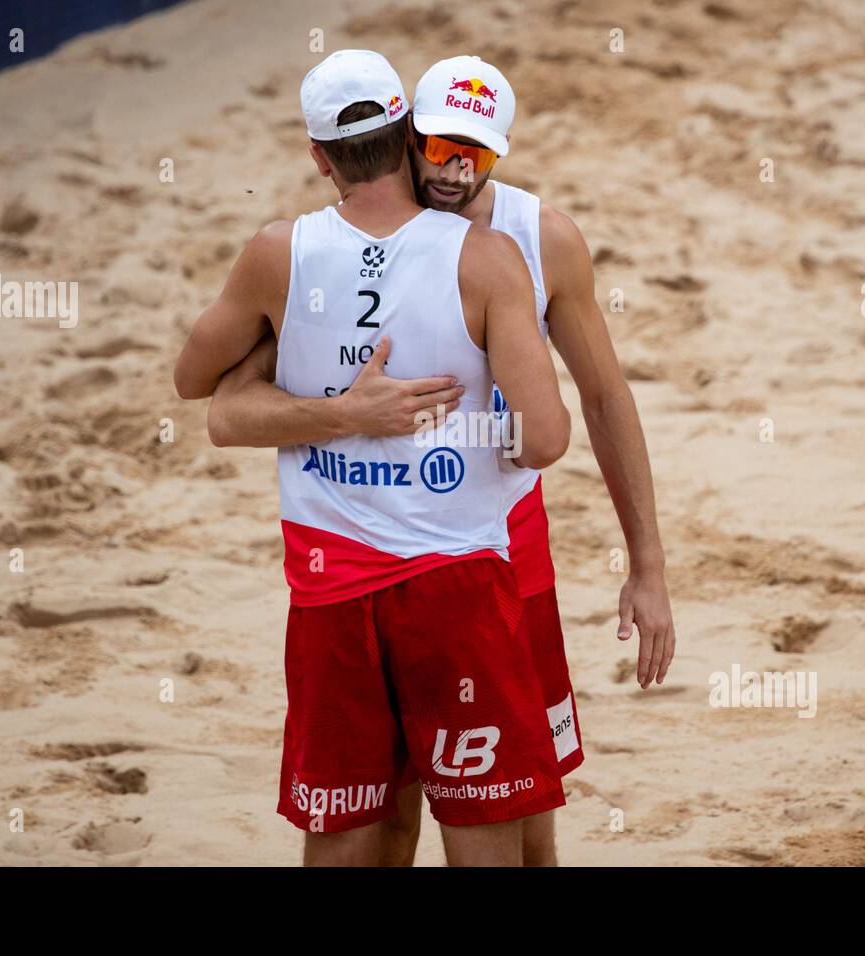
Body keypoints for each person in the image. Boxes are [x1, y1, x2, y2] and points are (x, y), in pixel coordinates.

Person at [208, 54, 676, 866]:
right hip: (374, 563)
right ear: (403, 140)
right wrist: (348, 414)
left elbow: (603, 398)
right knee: (382, 816)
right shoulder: (334, 244)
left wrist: (649, 564)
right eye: (440, 150)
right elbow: (223, 389)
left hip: (501, 559)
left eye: (479, 154)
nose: (458, 170)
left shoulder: (540, 237)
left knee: (520, 822)